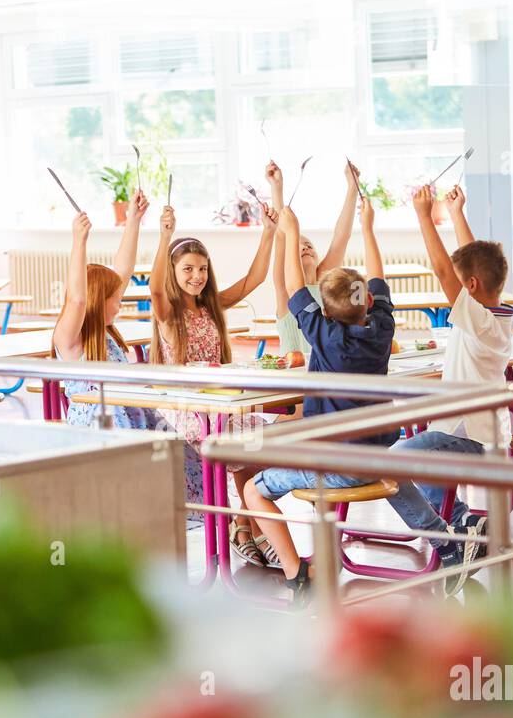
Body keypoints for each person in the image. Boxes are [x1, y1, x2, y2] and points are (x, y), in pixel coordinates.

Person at [242, 196, 396, 607]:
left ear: (323, 311)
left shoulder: (324, 337)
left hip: (338, 466)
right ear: (366, 301)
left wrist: (290, 231)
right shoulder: (381, 327)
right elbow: (377, 278)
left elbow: (293, 287)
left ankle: (297, 575)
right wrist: (369, 229)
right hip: (382, 457)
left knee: (254, 491)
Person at [384, 183, 513, 596]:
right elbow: (470, 265)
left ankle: (450, 541)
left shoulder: (481, 320)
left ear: (470, 287)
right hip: (463, 433)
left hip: (472, 440)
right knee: (419, 455)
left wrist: (424, 216)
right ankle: (466, 523)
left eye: (461, 285)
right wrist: (457, 213)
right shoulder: (492, 311)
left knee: (388, 465)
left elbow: (446, 272)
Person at [149, 197, 277, 561]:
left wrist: (267, 232)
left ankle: (243, 525)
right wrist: (164, 235)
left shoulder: (211, 306)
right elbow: (155, 290)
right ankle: (248, 528)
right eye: (188, 269)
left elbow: (255, 279)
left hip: (219, 402)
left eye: (202, 269)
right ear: (174, 272)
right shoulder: (168, 313)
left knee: (256, 449)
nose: (196, 276)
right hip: (187, 406)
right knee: (242, 447)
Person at [53, 191, 159, 429]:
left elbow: (123, 270)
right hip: (100, 434)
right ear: (98, 300)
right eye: (114, 296)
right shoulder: (71, 339)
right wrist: (79, 241)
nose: (119, 299)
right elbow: (77, 300)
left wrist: (133, 220)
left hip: (134, 425)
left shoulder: (104, 328)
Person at [266, 159, 363, 359]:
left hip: (325, 370)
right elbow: (282, 237)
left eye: (308, 243)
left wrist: (353, 189)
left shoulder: (322, 283)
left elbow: (340, 238)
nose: (305, 246)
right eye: (299, 245)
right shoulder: (286, 289)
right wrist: (277, 188)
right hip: (294, 375)